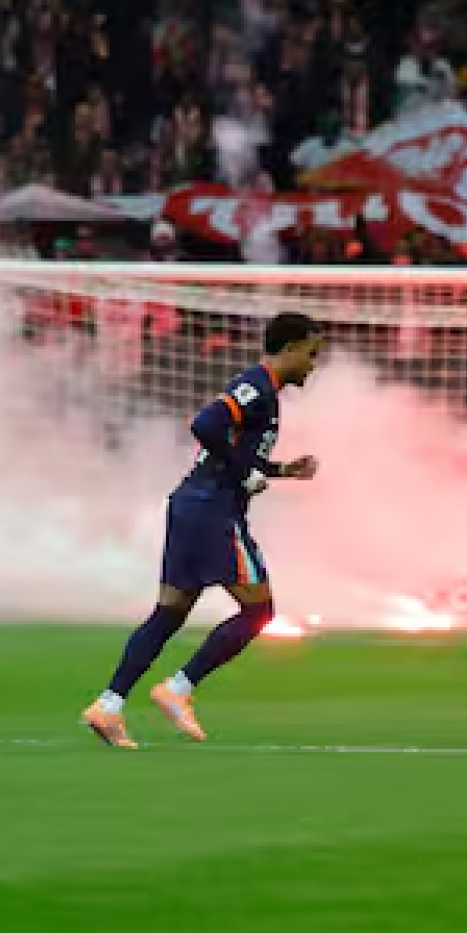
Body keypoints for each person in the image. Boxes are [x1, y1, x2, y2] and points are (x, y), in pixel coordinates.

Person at [81, 312, 325, 748]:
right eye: (310, 353)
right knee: (259, 611)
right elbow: (205, 425)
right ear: (288, 349)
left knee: (169, 612)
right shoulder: (256, 387)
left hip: (190, 505)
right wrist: (245, 475)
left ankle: (109, 704)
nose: (312, 364)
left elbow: (229, 450)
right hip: (215, 511)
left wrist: (280, 470)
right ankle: (179, 688)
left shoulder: (265, 393)